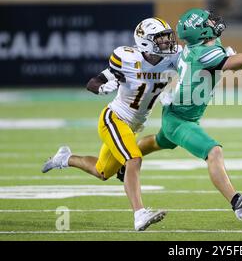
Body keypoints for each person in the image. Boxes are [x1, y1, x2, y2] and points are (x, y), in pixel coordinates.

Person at [119, 8, 242, 220]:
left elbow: (241, 61)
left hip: (176, 115)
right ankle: (235, 201)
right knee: (214, 152)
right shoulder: (203, 53)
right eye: (208, 21)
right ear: (201, 32)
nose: (213, 22)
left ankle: (126, 158)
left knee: (159, 141)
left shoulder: (204, 46)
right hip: (180, 120)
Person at [41, 17, 182, 231]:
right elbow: (94, 81)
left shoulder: (173, 57)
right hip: (114, 119)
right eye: (160, 38)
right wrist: (101, 88)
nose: (166, 42)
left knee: (103, 172)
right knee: (133, 159)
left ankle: (64, 158)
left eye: (166, 37)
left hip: (133, 126)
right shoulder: (126, 57)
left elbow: (195, 67)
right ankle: (140, 215)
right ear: (145, 41)